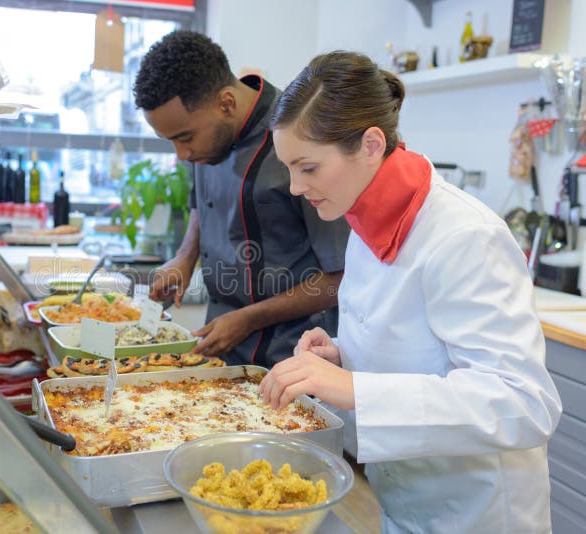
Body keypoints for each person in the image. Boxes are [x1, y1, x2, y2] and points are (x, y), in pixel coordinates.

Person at [259, 50, 562, 533]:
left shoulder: (465, 235)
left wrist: (355, 388)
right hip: (403, 501)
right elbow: (413, 345)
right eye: (289, 169)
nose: (296, 187)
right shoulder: (362, 217)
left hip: (477, 512)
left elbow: (523, 403)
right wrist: (343, 356)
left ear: (371, 144)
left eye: (308, 168)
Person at [133, 31, 349, 367]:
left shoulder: (301, 139)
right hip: (221, 346)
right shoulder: (204, 142)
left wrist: (248, 319)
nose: (181, 154)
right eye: (171, 142)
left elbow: (339, 279)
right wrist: (184, 258)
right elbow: (202, 203)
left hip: (293, 358)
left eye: (185, 138)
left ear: (227, 103)